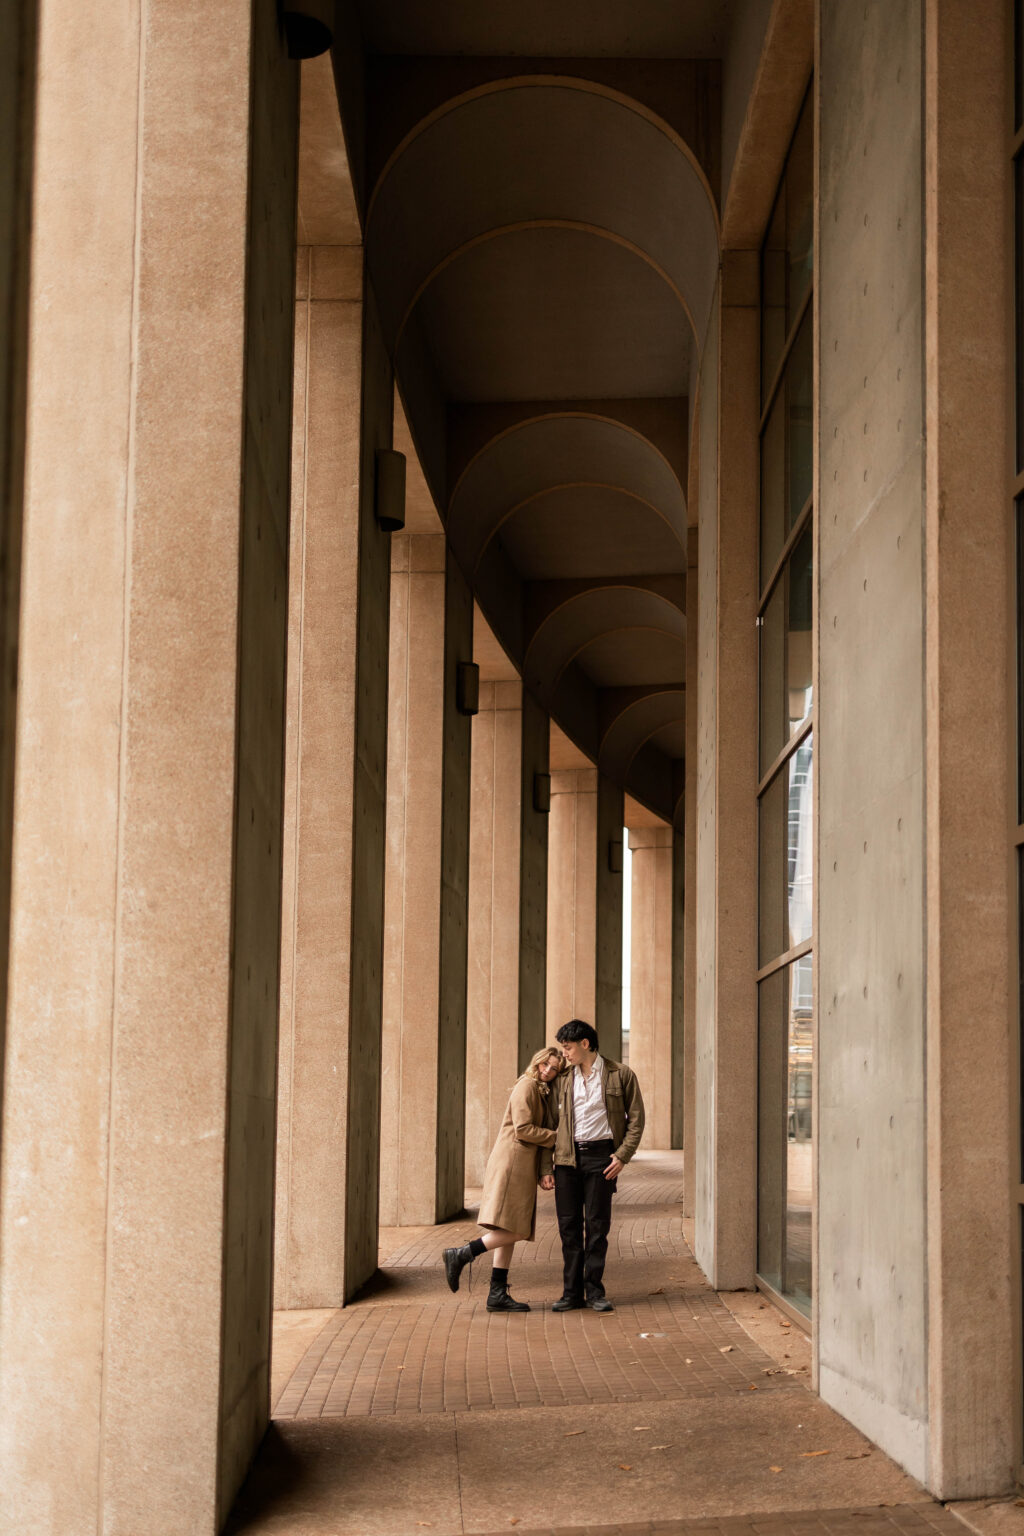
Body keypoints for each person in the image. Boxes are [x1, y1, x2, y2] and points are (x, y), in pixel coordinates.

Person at [442, 1046, 563, 1312]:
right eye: (545, 1064)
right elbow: (523, 1129)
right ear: (537, 1062)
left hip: (521, 1164)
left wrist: (545, 1168)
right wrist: (558, 1136)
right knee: (518, 1229)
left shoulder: (540, 1090)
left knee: (507, 1229)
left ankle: (497, 1293)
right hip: (513, 1163)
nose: (548, 1071)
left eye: (554, 1069)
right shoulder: (527, 1086)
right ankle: (462, 1254)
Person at [550, 1019, 645, 1313]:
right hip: (566, 1160)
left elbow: (636, 1119)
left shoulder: (621, 1074)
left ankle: (594, 1292)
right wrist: (544, 1168)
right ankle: (571, 1293)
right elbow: (549, 1124)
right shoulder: (563, 1078)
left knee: (597, 1226)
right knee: (568, 1228)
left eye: (568, 1048)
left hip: (601, 1158)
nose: (564, 1054)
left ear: (585, 1044)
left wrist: (622, 1156)